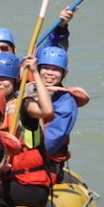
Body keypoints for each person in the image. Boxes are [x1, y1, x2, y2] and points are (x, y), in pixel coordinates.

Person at [0, 7, 76, 116]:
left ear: (14, 49)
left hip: (29, 113)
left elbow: (51, 51)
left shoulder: (27, 65)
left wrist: (61, 27)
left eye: (4, 48)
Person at [0, 52, 54, 207]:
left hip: (29, 186)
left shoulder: (24, 105)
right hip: (3, 181)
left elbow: (47, 111)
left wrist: (35, 72)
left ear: (15, 81)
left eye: (3, 79)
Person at [37, 46, 88, 185]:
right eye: (46, 68)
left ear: (64, 73)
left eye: (55, 69)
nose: (50, 73)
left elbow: (51, 142)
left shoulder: (66, 102)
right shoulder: (26, 92)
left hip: (47, 163)